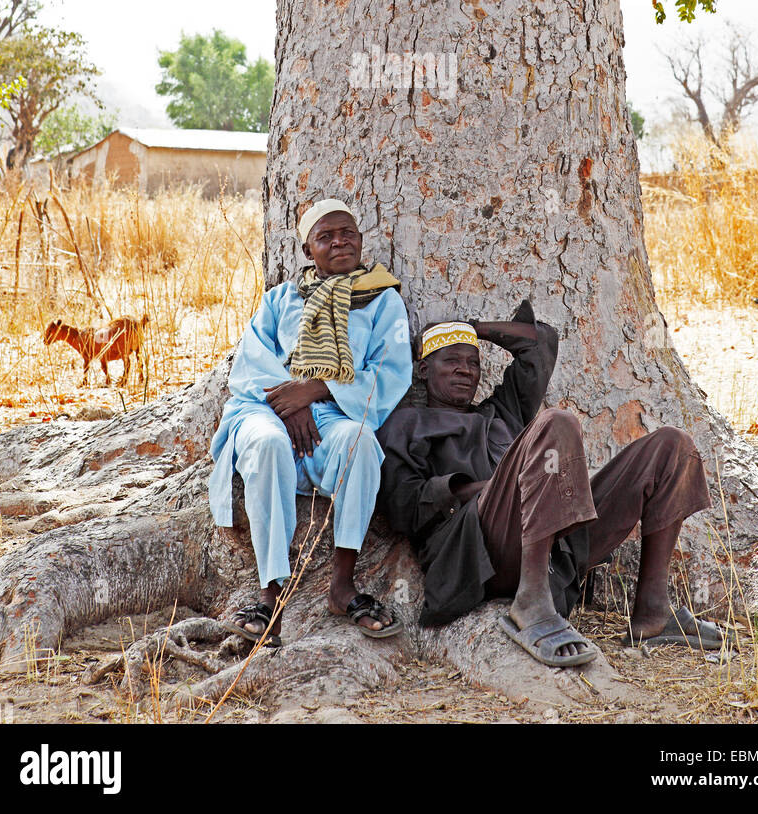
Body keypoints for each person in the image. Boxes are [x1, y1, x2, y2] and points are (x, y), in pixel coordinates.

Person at [377, 303, 728, 668]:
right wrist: (488, 488)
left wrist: (470, 327)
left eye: (473, 362)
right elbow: (403, 506)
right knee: (556, 422)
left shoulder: (501, 412)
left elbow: (540, 341)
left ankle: (653, 612)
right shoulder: (407, 424)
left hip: (556, 546)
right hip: (479, 552)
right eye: (451, 360)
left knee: (672, 446)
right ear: (423, 369)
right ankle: (530, 602)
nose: (465, 369)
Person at [208, 199, 412, 644]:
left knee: (359, 444)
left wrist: (317, 389)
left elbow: (390, 372)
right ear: (307, 250)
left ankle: (342, 585)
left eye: (348, 234)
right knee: (266, 445)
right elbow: (250, 367)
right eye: (326, 236)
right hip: (268, 409)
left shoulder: (382, 302)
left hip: (339, 411)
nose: (340, 242)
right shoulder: (280, 301)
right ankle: (270, 597)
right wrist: (293, 402)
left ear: (360, 241)